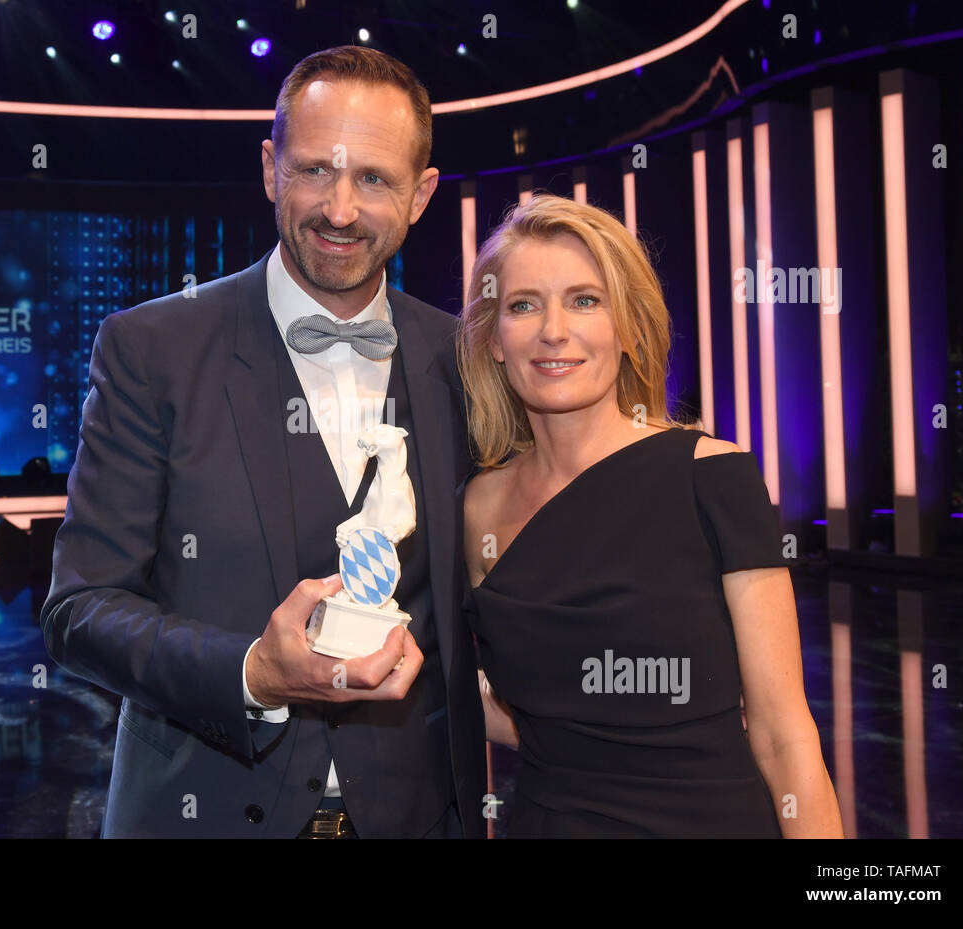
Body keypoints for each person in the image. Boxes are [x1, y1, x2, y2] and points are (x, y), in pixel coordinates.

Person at [41, 45, 486, 838]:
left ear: (422, 195)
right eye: (315, 170)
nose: (340, 209)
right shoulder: (151, 348)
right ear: (270, 168)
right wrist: (252, 671)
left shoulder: (465, 361)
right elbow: (80, 608)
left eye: (374, 180)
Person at [458, 193, 843, 838]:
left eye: (585, 300)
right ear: (493, 340)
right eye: (523, 305)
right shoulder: (477, 509)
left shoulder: (710, 476)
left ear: (628, 327)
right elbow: (520, 708)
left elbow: (783, 732)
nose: (555, 330)